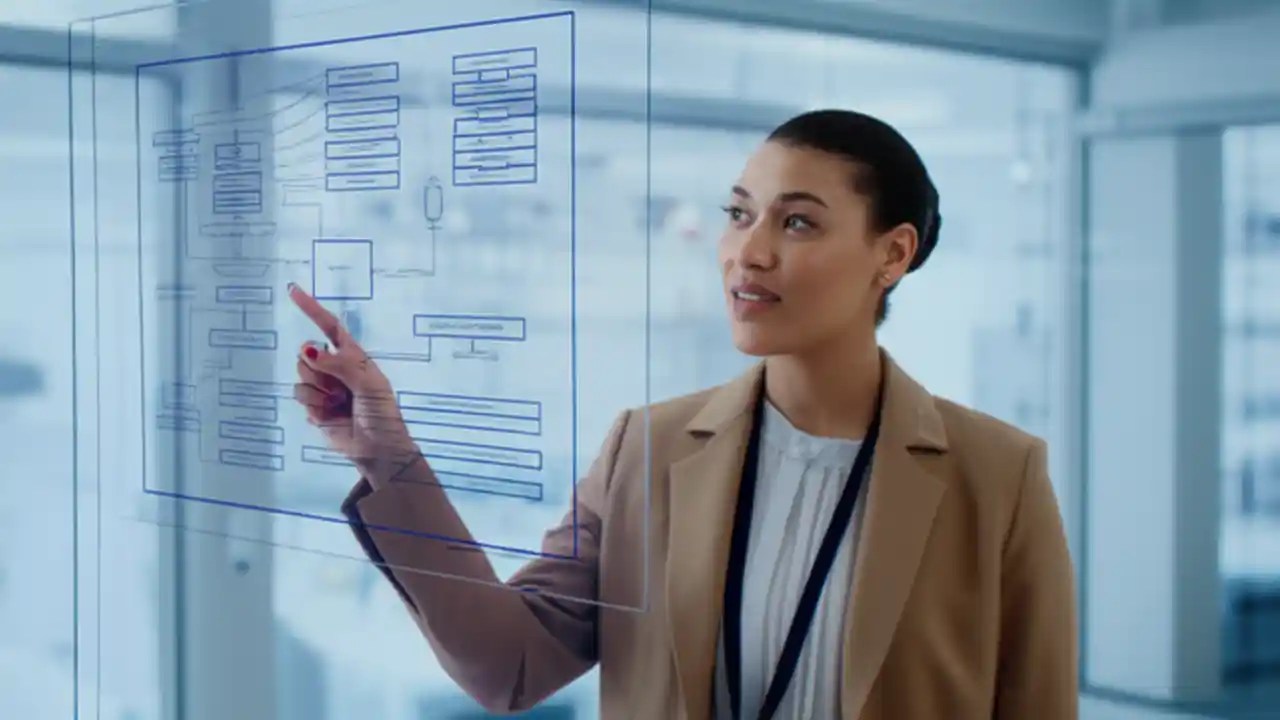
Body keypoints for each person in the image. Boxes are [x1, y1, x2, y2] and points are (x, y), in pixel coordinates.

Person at [288, 109, 1078, 720]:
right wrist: (391, 461)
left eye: (796, 221)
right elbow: (511, 665)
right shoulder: (649, 450)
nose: (748, 251)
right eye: (741, 214)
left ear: (893, 254)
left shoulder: (997, 476)